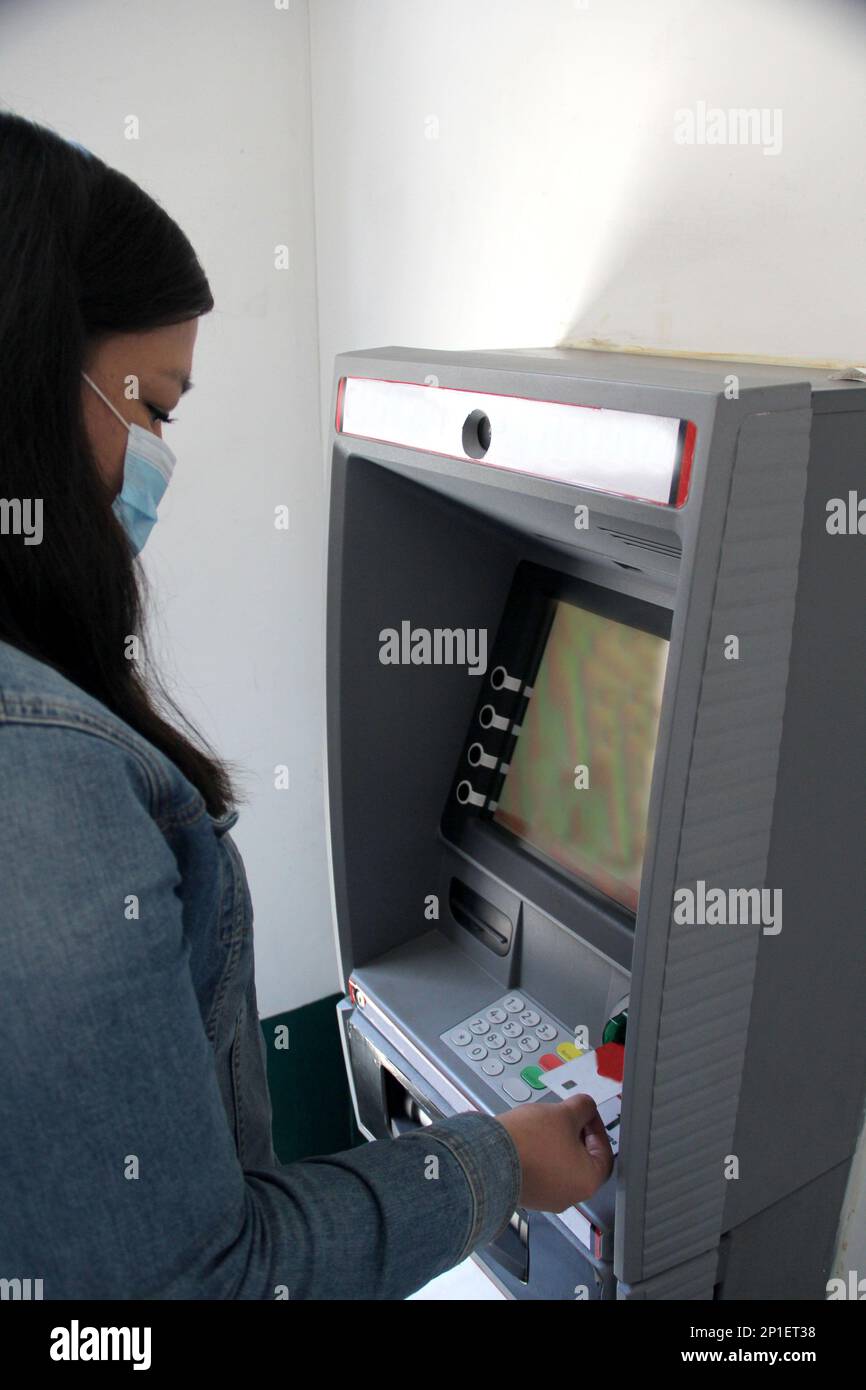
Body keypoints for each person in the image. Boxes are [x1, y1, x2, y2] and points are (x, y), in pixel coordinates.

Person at [0, 111, 612, 1300]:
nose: (155, 461)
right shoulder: (41, 774)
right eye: (154, 407)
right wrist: (498, 1162)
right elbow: (193, 1286)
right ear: (27, 383)